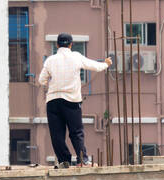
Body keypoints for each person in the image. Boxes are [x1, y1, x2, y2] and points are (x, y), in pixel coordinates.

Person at [37, 33, 111, 167]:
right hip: (71, 101)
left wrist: (55, 84)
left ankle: (64, 161)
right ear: (71, 45)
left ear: (57, 45)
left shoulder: (50, 60)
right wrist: (106, 64)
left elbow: (41, 80)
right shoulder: (76, 57)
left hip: (53, 101)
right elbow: (95, 66)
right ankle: (82, 160)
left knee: (57, 134)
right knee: (76, 132)